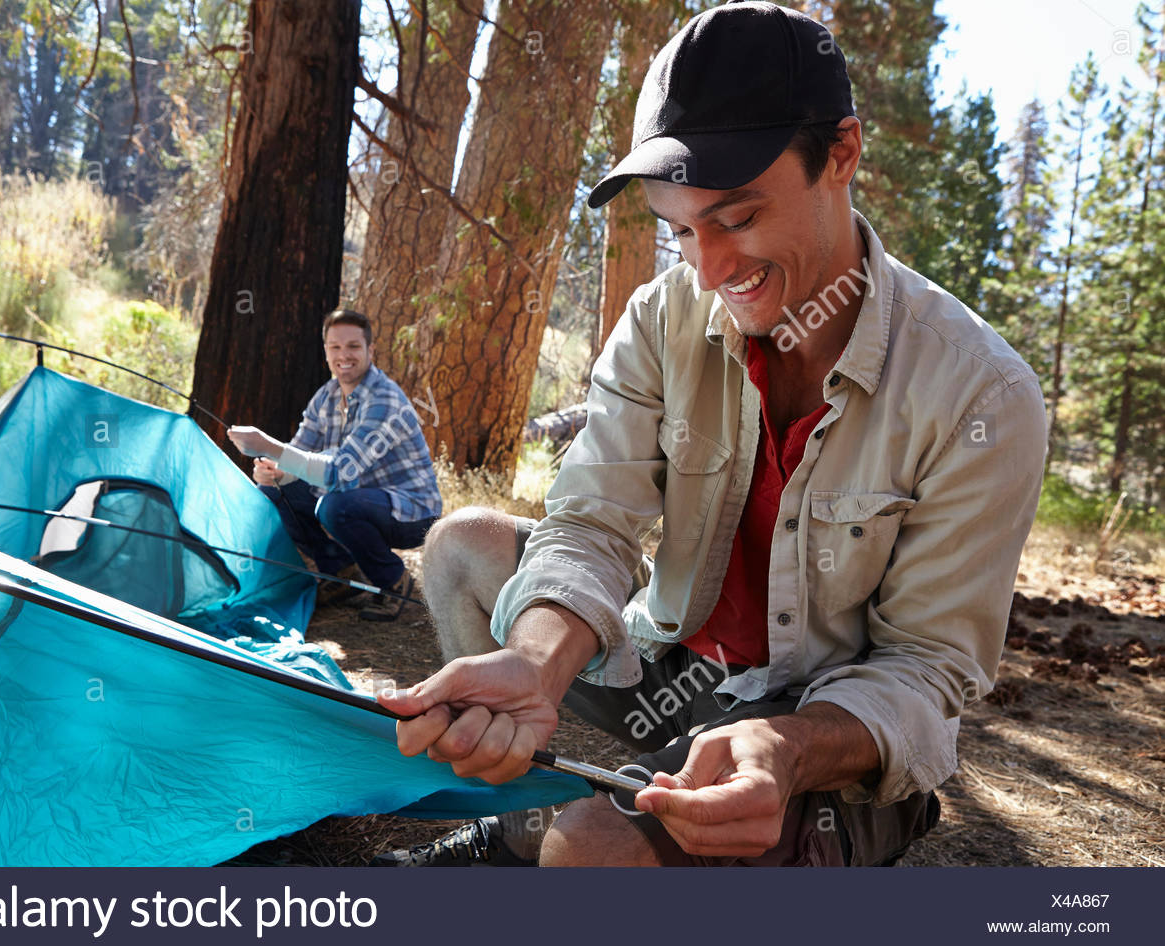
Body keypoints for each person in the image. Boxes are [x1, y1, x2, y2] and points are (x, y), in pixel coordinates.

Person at [373, 1, 1047, 866]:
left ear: (842, 154)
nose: (710, 269)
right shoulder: (665, 315)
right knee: (462, 544)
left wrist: (789, 749)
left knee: (591, 852)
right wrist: (536, 665)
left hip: (819, 731)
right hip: (670, 660)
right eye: (680, 231)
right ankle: (509, 818)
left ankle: (563, 843)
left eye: (736, 218)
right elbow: (592, 523)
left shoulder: (982, 391)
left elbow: (925, 669)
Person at [228, 309, 442, 622]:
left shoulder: (384, 399)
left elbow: (340, 473)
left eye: (353, 346)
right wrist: (273, 472)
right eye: (335, 347)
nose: (344, 355)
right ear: (326, 351)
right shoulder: (326, 396)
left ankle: (394, 582)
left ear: (370, 350)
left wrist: (267, 446)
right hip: (357, 497)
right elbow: (298, 453)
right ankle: (341, 573)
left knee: (334, 507)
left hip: (412, 511)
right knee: (276, 492)